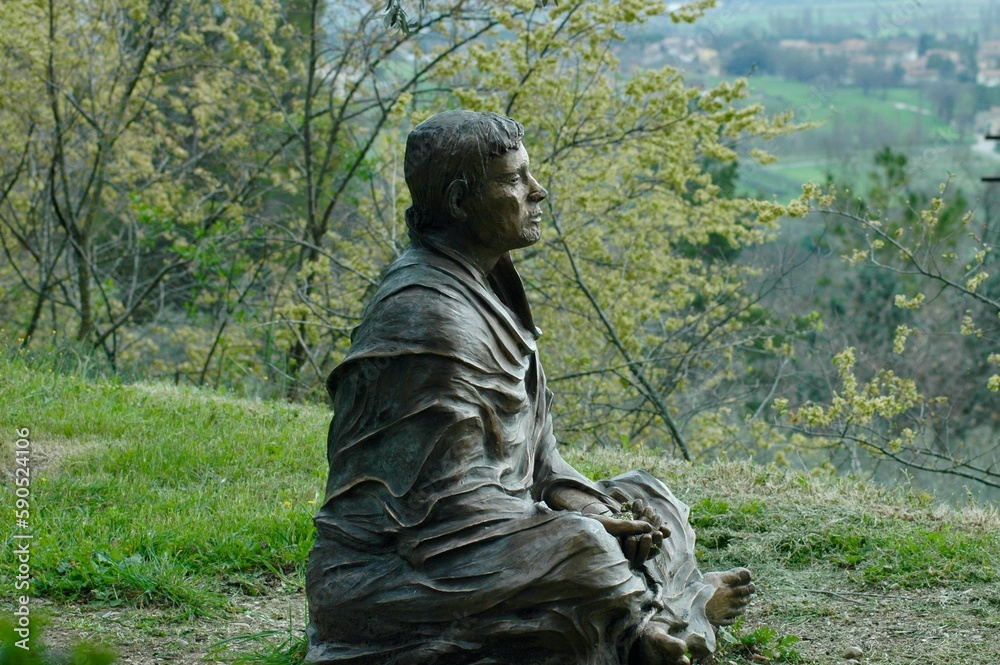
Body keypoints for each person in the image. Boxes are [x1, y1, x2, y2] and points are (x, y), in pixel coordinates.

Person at [305, 110, 755, 665]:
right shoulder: (426, 317)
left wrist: (594, 504)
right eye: (515, 180)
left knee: (648, 495)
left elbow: (537, 462)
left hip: (490, 534)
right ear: (459, 201)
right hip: (394, 570)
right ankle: (663, 621)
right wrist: (581, 526)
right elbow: (444, 514)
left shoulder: (489, 288)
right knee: (584, 550)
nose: (537, 192)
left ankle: (652, 618)